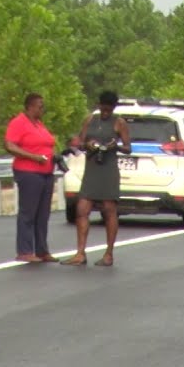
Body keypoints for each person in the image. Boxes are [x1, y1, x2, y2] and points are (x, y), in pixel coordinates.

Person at [61, 90, 131, 267]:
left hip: (108, 169)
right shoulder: (90, 120)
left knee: (109, 209)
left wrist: (115, 146)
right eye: (103, 109)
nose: (106, 112)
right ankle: (80, 253)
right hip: (92, 168)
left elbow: (128, 148)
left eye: (109, 109)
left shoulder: (119, 122)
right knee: (82, 208)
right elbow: (80, 142)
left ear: (114, 108)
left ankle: (109, 254)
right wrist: (88, 144)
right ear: (99, 105)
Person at [4, 93, 58, 263]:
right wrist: (33, 157)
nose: (42, 109)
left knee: (43, 214)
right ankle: (25, 250)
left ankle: (42, 250)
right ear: (30, 106)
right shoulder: (19, 123)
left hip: (46, 172)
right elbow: (9, 145)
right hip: (29, 172)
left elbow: (46, 144)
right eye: (40, 106)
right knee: (28, 212)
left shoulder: (39, 124)